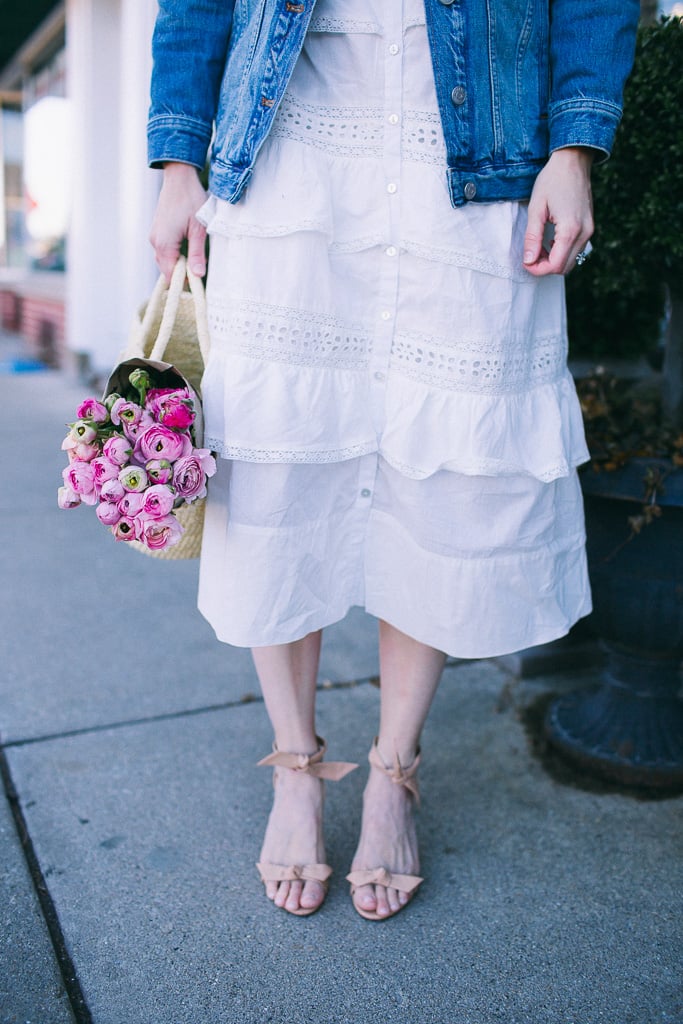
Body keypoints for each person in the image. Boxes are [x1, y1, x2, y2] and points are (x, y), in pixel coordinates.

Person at [148, 0, 639, 920]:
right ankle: (296, 769)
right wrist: (179, 161)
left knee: (440, 475)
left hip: (474, 160)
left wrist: (574, 154)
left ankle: (391, 773)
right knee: (280, 470)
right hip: (291, 152)